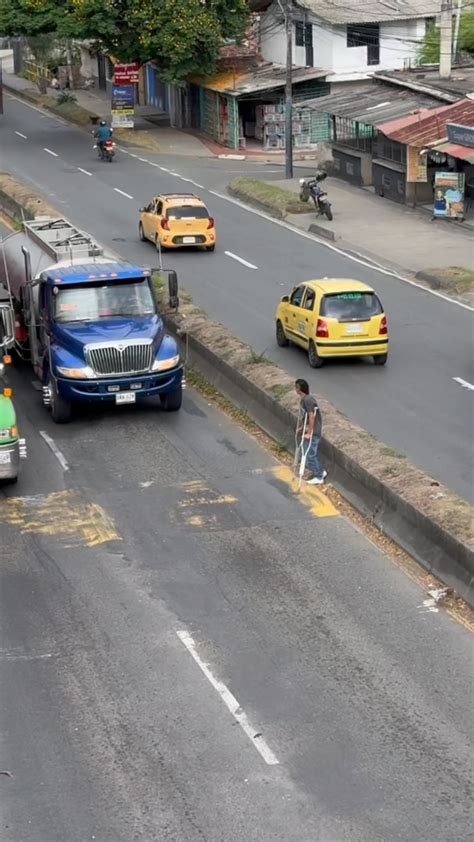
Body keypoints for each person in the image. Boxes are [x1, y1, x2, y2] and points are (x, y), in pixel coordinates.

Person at [295, 378, 327, 485]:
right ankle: (321, 472)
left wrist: (309, 433)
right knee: (308, 453)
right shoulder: (304, 400)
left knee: (310, 455)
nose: (295, 389)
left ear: (300, 389)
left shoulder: (308, 400)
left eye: (296, 387)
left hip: (314, 432)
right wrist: (302, 427)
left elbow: (312, 416)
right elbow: (306, 417)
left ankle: (319, 477)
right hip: (312, 430)